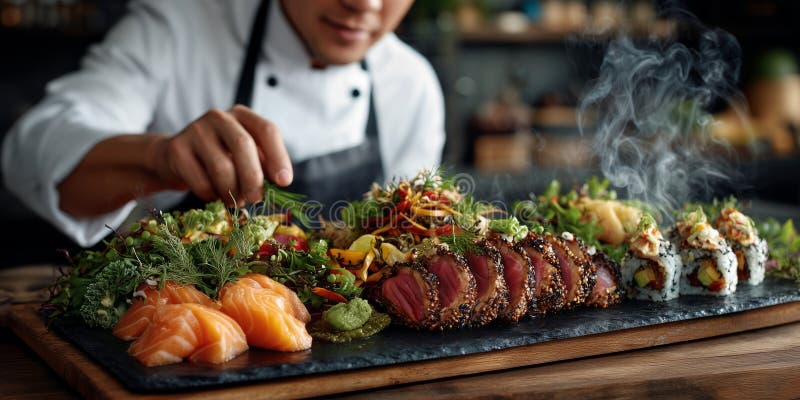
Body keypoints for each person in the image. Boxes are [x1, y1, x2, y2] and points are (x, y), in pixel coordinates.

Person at [2, 0, 445, 247]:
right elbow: (33, 148)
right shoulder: (178, 27)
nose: (364, 4)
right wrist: (158, 159)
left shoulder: (411, 86)